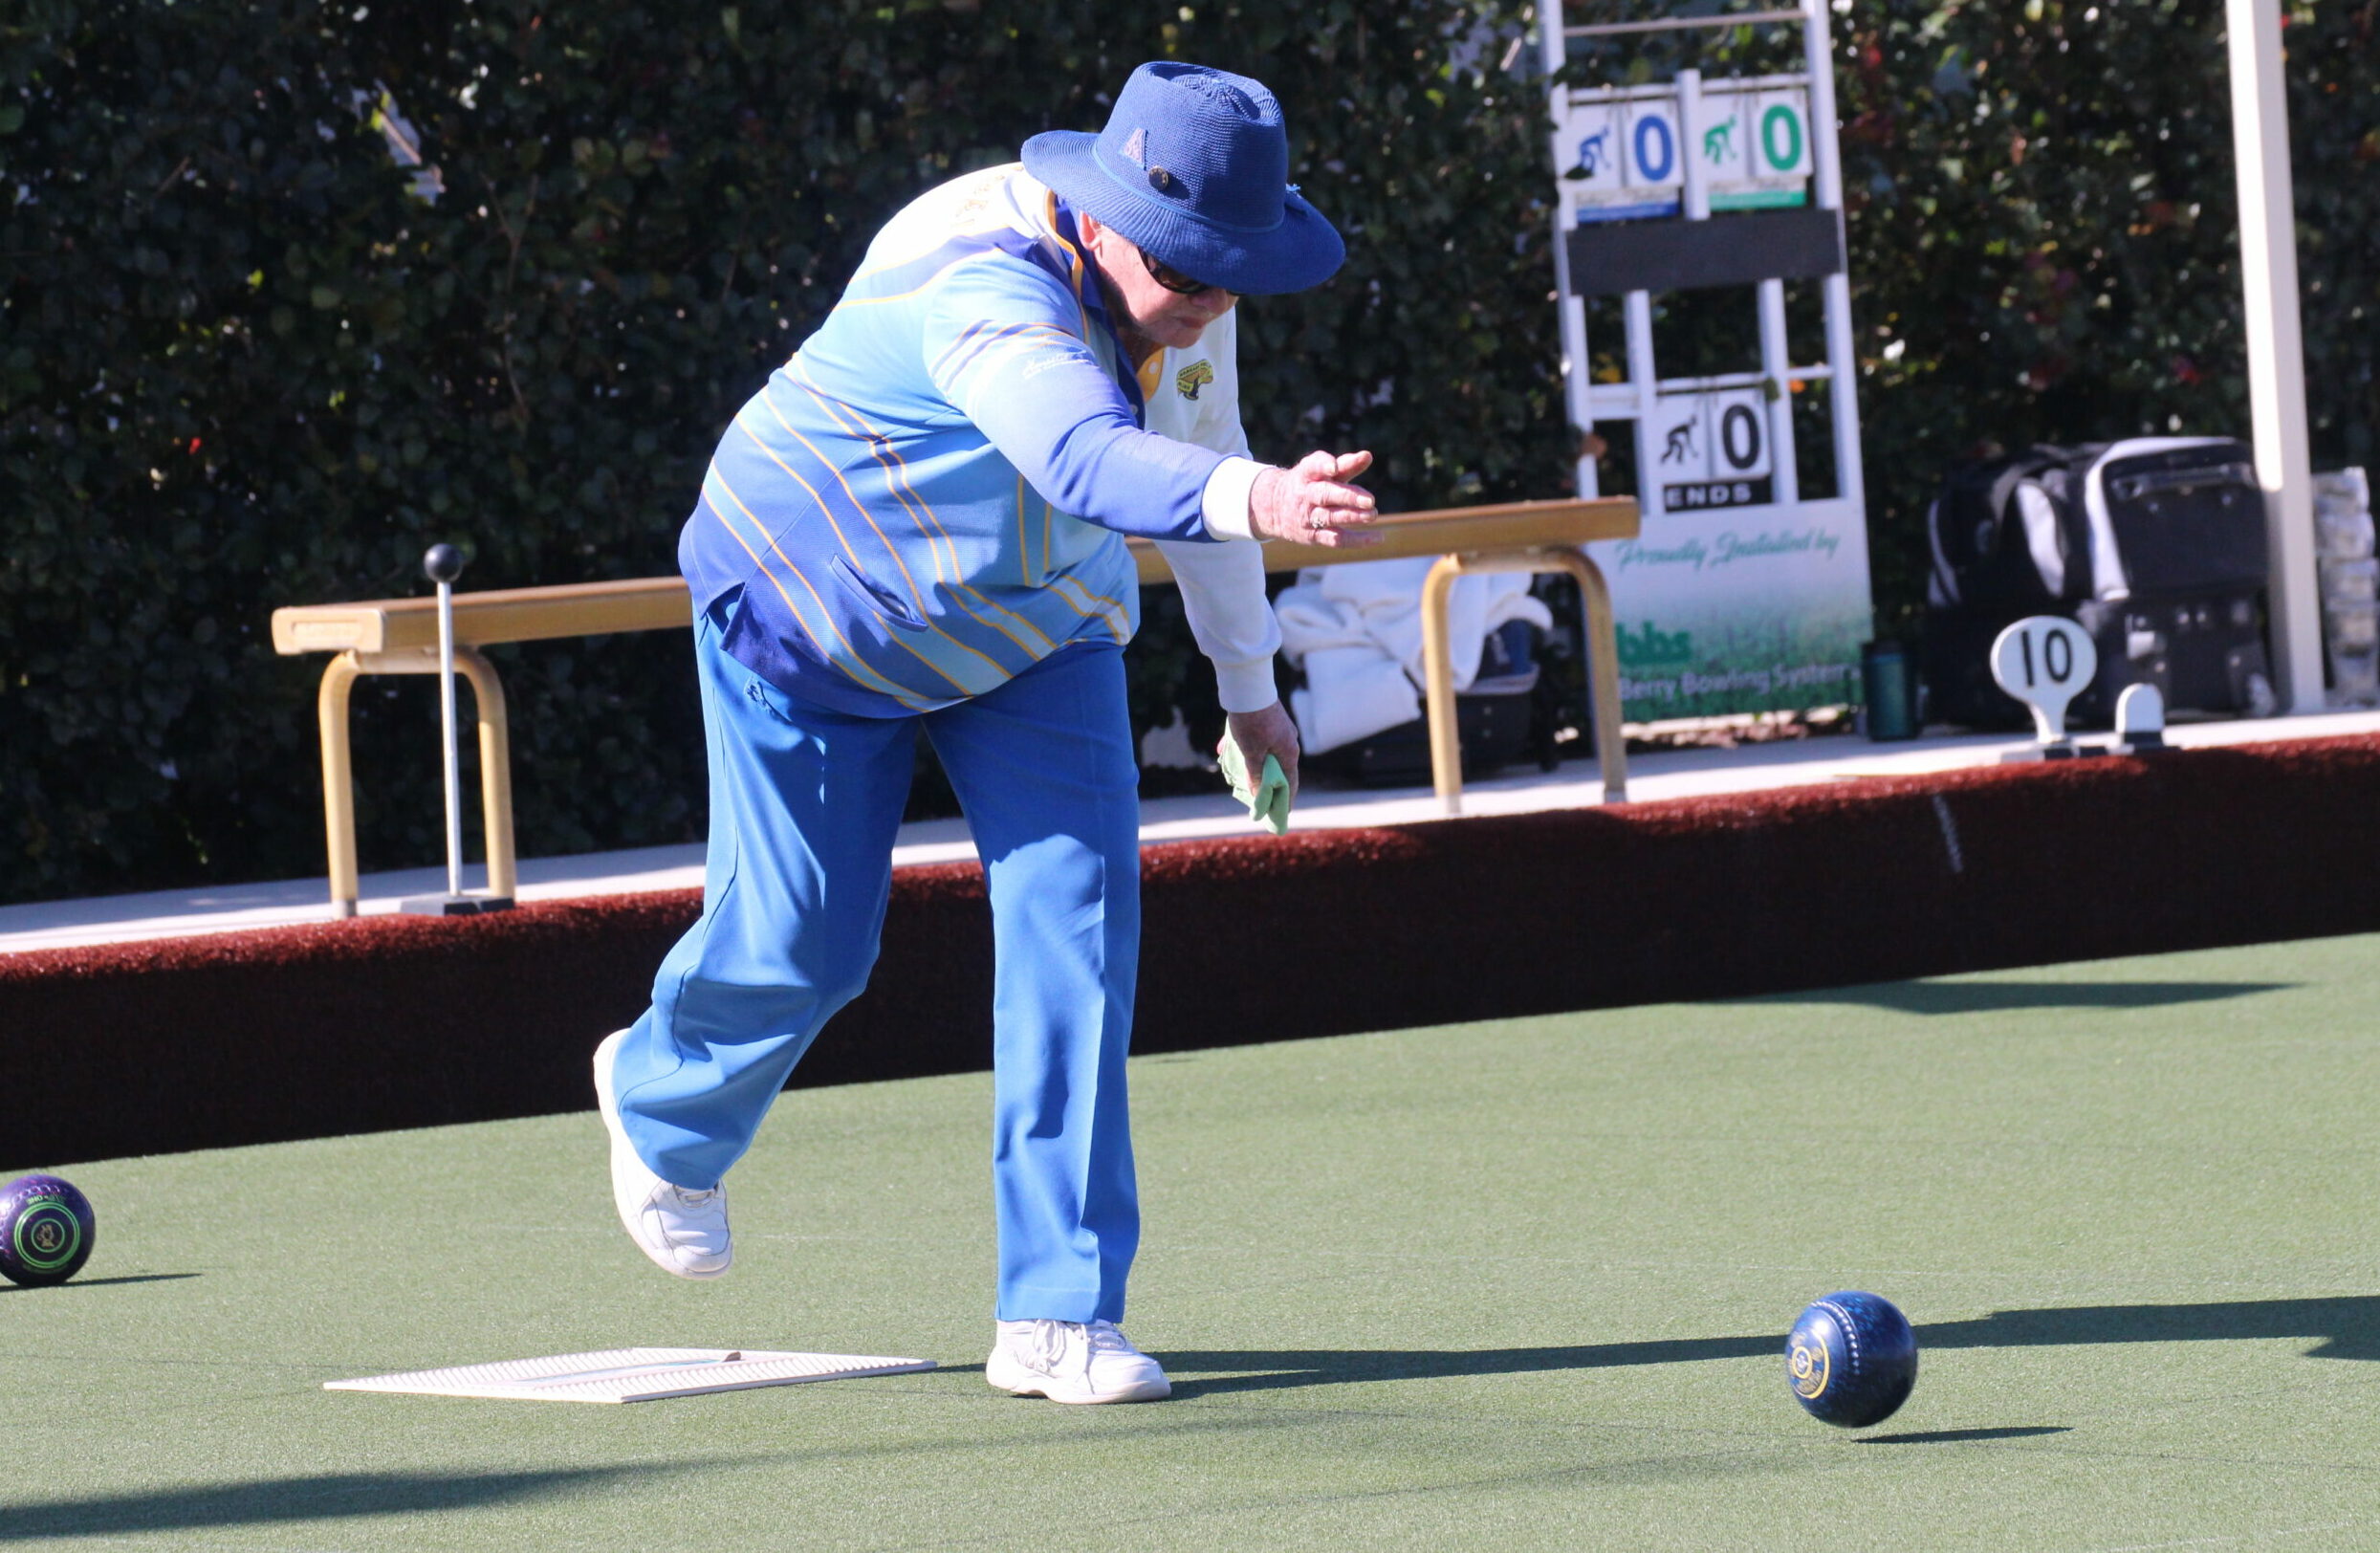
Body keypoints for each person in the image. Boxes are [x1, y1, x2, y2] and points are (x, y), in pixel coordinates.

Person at [592, 61, 1379, 1405]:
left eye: (1235, 271)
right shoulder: (981, 275)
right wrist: (1256, 499)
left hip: (1032, 630)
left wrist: (1248, 690)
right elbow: (1082, 460)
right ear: (1108, 214)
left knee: (1079, 934)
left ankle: (1057, 1314)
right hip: (812, 604)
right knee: (810, 946)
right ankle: (666, 1100)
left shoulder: (1185, 297)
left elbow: (1201, 432)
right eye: (1191, 269)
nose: (1211, 303)